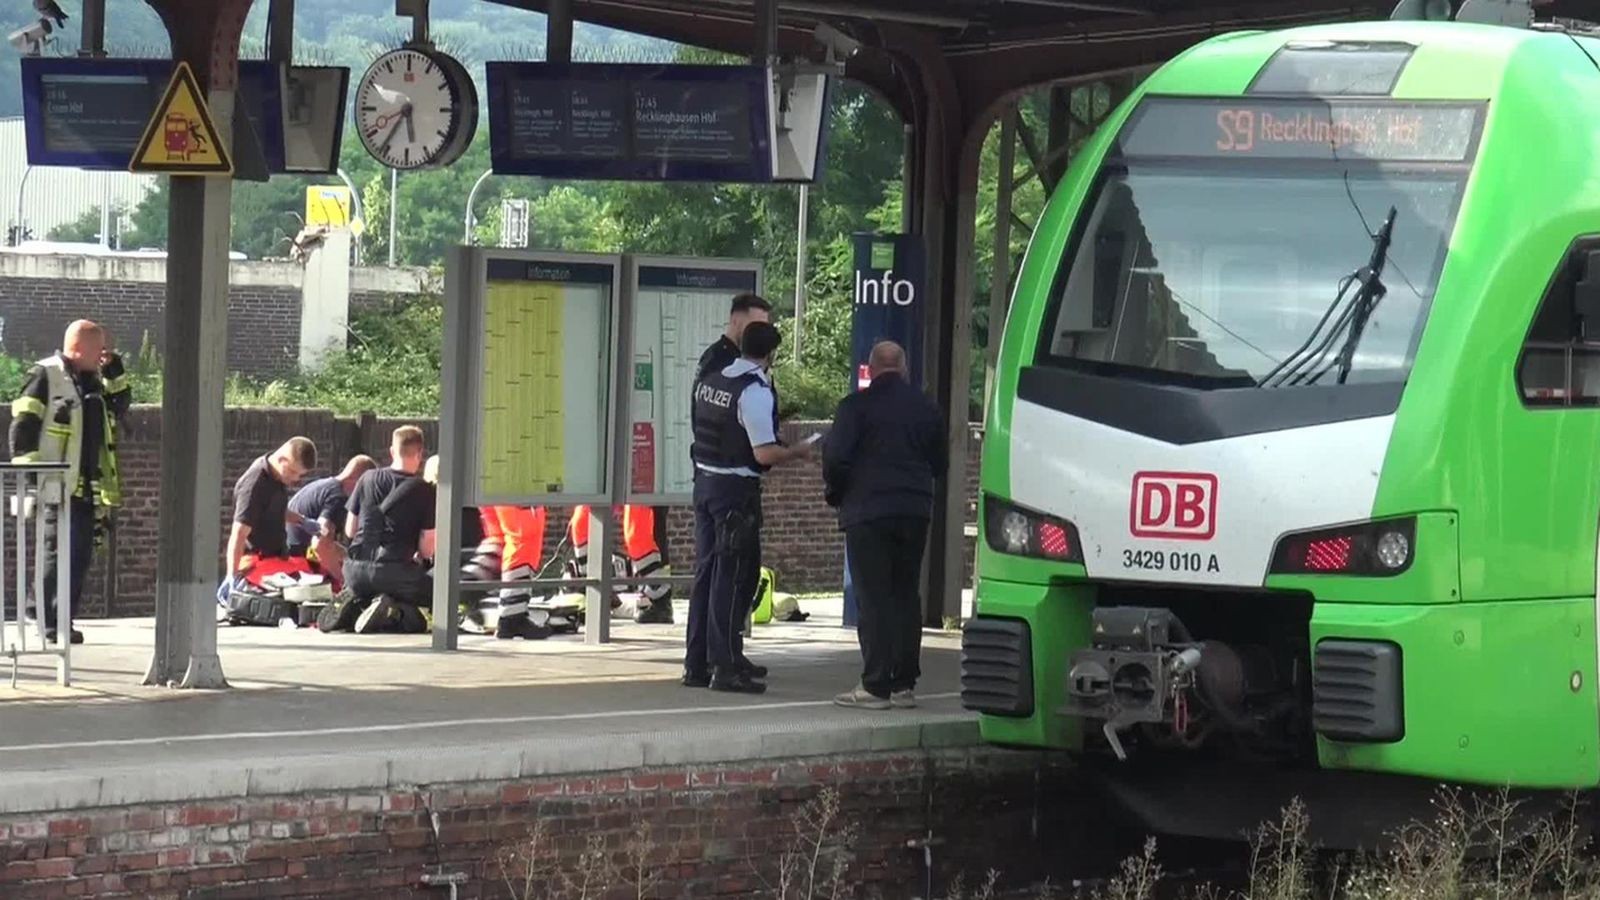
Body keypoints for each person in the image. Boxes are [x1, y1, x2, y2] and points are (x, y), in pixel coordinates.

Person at [685, 320, 814, 694]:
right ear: (771, 354)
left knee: (711, 575)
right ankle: (725, 667)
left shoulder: (714, 379)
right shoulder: (753, 391)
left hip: (706, 485)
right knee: (733, 577)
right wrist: (798, 451)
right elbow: (764, 453)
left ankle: (706, 661)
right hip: (735, 493)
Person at [822, 341, 947, 710]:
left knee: (873, 596)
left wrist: (836, 493)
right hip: (914, 510)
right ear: (904, 368)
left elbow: (836, 459)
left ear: (871, 369)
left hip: (868, 512)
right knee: (906, 595)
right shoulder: (927, 409)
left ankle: (874, 685)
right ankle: (903, 685)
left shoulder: (854, 407)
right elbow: (940, 461)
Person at [8, 319, 131, 644]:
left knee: (78, 556)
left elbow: (121, 407)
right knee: (56, 552)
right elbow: (23, 426)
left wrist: (115, 370)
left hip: (87, 486)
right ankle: (49, 621)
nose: (103, 355)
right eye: (100, 349)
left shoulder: (93, 381)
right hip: (56, 486)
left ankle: (61, 616)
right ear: (80, 348)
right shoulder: (46, 375)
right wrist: (31, 478)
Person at [342, 425, 435, 633]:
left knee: (371, 586)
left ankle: (358, 607)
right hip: (395, 573)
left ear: (392, 451)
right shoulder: (425, 490)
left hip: (354, 571)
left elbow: (350, 529)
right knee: (430, 599)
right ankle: (393, 610)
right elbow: (427, 549)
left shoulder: (366, 478)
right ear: (420, 454)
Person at [219, 437, 318, 605]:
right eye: (294, 472)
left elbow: (275, 509)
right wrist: (232, 574)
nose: (296, 479)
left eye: (300, 475)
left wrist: (302, 521)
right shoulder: (255, 485)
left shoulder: (277, 477)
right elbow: (239, 534)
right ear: (282, 460)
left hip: (276, 559)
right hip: (257, 563)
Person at [285, 454, 377, 587]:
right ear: (359, 481)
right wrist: (346, 582)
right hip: (300, 565)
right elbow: (320, 545)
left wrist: (348, 558)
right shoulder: (338, 498)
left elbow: (325, 538)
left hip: (289, 553)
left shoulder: (322, 485)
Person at [485, 504, 553, 640]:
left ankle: (511, 613)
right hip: (513, 487)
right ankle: (512, 616)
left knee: (504, 537)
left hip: (495, 487)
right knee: (524, 538)